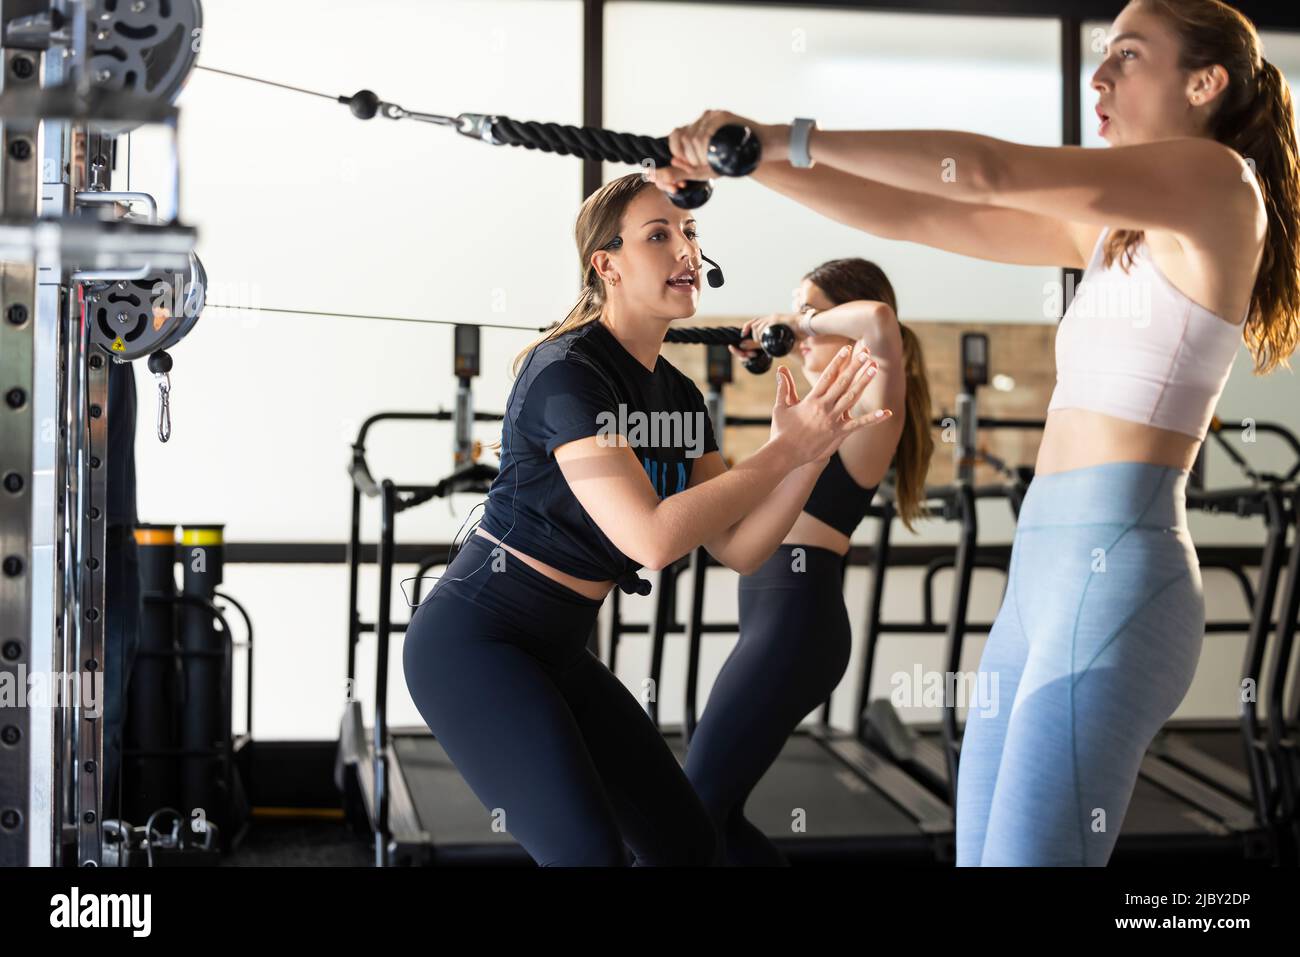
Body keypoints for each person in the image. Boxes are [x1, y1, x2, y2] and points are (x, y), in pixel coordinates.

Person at [655, 0, 1299, 865]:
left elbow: (986, 169)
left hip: (1121, 578)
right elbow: (913, 214)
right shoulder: (1113, 234)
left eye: (1130, 56)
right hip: (1041, 576)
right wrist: (756, 163)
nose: (1099, 76)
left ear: (1205, 81)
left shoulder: (1220, 183)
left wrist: (780, 134)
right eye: (1102, 53)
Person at [401, 172, 892, 866]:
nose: (685, 249)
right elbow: (652, 539)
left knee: (686, 843)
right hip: (477, 643)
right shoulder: (566, 372)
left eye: (689, 232)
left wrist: (809, 455)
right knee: (586, 854)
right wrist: (786, 446)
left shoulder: (681, 396)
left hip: (560, 649)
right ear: (608, 264)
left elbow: (741, 547)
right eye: (659, 235)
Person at [684, 257, 935, 865]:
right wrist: (783, 341)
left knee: (693, 810)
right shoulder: (819, 414)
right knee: (707, 813)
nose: (799, 323)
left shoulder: (874, 407)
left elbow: (879, 318)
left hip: (798, 628)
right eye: (797, 310)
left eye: (812, 309)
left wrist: (796, 326)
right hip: (777, 625)